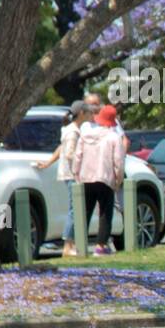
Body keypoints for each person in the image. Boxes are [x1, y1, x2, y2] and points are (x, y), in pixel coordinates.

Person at [71, 104, 126, 255]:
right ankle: (100, 246)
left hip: (86, 177)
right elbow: (119, 162)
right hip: (105, 177)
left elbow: (77, 156)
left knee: (85, 211)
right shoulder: (113, 137)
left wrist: (76, 174)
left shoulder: (85, 135)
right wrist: (118, 180)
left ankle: (79, 245)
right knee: (105, 212)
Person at [35, 101, 88, 256]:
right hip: (73, 174)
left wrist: (48, 163)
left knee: (76, 208)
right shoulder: (73, 132)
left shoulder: (69, 129)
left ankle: (72, 244)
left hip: (69, 173)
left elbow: (61, 149)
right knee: (75, 209)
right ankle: (68, 245)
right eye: (89, 113)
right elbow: (70, 153)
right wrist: (83, 162)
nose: (92, 115)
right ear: (82, 114)